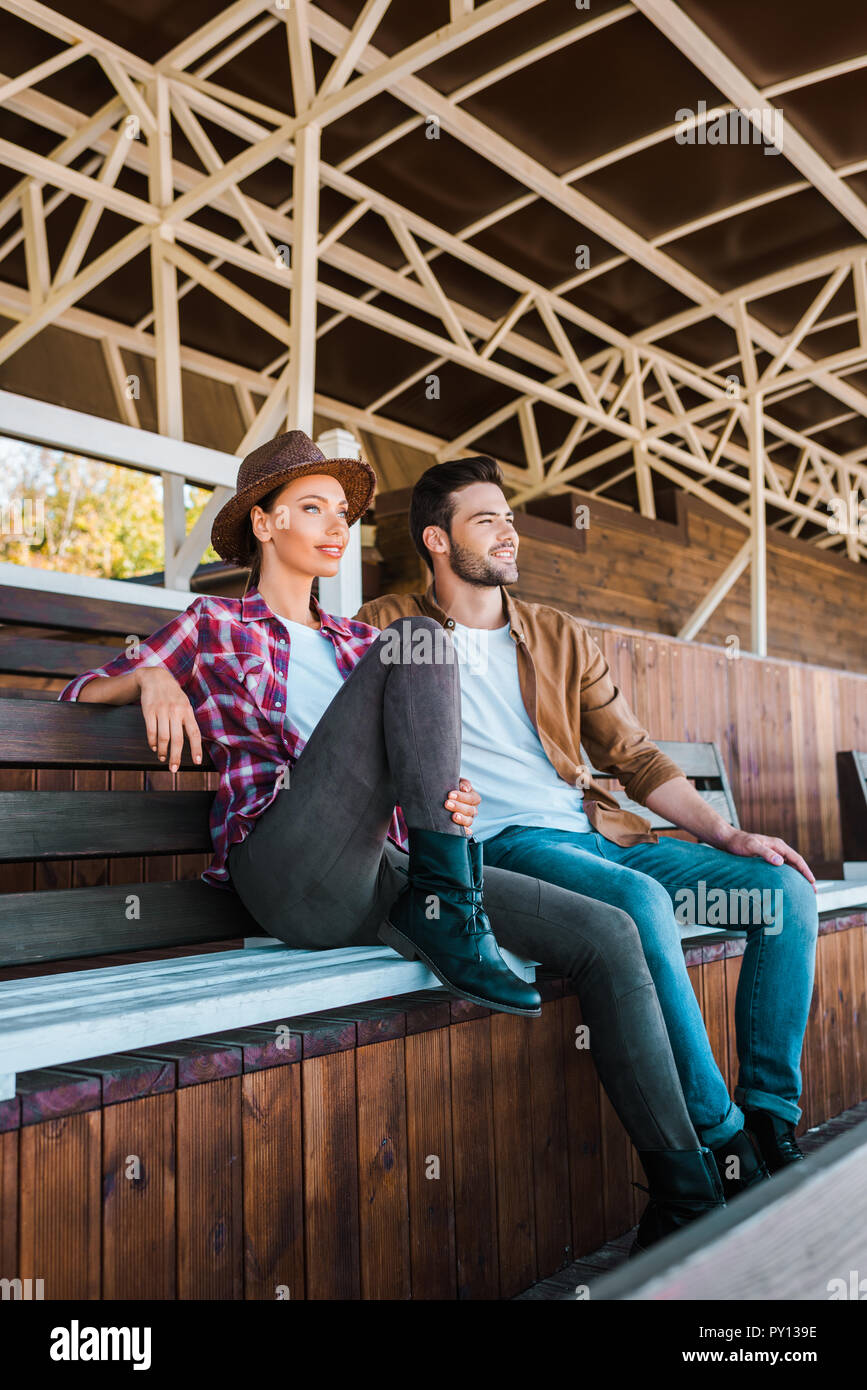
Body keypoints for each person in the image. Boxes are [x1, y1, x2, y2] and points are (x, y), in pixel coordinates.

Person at [57, 429, 727, 1251]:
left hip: (384, 869)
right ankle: (450, 899)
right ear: (262, 525)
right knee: (421, 638)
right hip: (284, 865)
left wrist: (447, 798)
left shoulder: (351, 641)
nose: (336, 527)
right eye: (312, 509)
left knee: (608, 932)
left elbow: (397, 760)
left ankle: (686, 1195)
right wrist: (153, 673)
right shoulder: (212, 623)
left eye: (342, 513)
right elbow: (81, 687)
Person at [357, 454, 822, 1195]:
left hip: (598, 838)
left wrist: (727, 836)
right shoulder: (387, 626)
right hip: (499, 850)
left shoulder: (556, 634)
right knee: (638, 906)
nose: (509, 534)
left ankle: (769, 1116)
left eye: (510, 519)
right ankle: (722, 1139)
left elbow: (634, 758)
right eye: (487, 521)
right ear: (437, 541)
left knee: (780, 893)